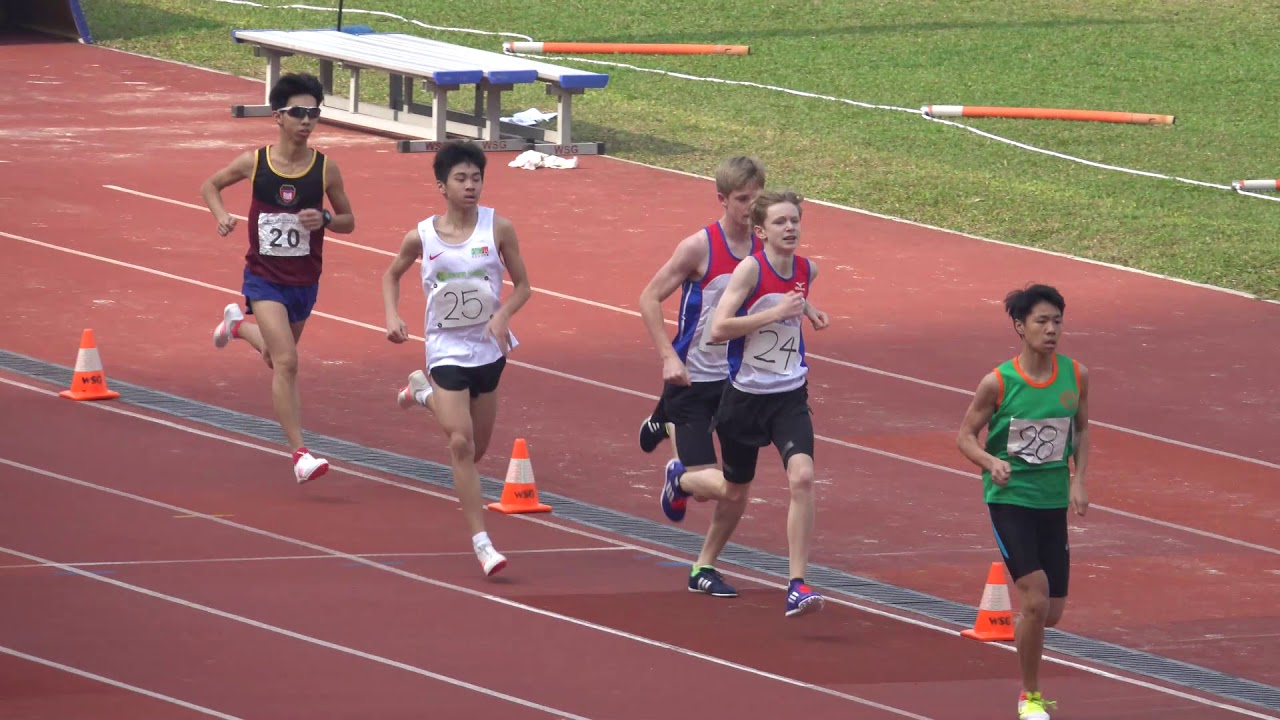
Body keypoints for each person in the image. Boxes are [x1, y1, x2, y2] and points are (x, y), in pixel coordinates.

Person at [640, 158, 828, 600]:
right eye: (743, 200)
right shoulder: (700, 247)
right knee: (721, 487)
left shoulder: (784, 259)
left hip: (739, 378)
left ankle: (704, 565)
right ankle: (677, 470)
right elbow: (649, 298)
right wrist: (668, 357)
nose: (749, 208)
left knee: (739, 492)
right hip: (693, 378)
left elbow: (786, 296)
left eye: (755, 199)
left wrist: (806, 310)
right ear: (724, 200)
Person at [382, 140, 532, 577]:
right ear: (441, 186)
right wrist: (393, 314)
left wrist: (503, 314)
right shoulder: (422, 236)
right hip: (445, 348)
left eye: (477, 178)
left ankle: (421, 392)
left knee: (478, 450)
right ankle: (483, 543)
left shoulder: (498, 229)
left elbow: (524, 285)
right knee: (460, 443)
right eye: (461, 179)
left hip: (488, 350)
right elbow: (391, 275)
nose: (471, 186)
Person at [203, 72, 356, 485]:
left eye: (314, 113)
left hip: (304, 281)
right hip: (263, 278)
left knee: (274, 357)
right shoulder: (256, 163)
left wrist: (323, 218)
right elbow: (211, 185)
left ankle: (236, 326)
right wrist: (221, 216)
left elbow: (348, 221)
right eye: (298, 112)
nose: (307, 120)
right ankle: (300, 454)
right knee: (287, 362)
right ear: (278, 117)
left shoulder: (325, 169)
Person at [955, 283, 1090, 720]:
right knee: (1034, 599)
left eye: (1057, 321)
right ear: (1019, 326)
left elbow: (1082, 429)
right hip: (1010, 498)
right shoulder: (998, 381)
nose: (1052, 330)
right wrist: (990, 461)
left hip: (1051, 501)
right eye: (1042, 321)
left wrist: (1078, 479)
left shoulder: (1075, 375)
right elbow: (963, 437)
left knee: (1050, 612)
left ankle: (1025, 628)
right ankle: (1030, 698)